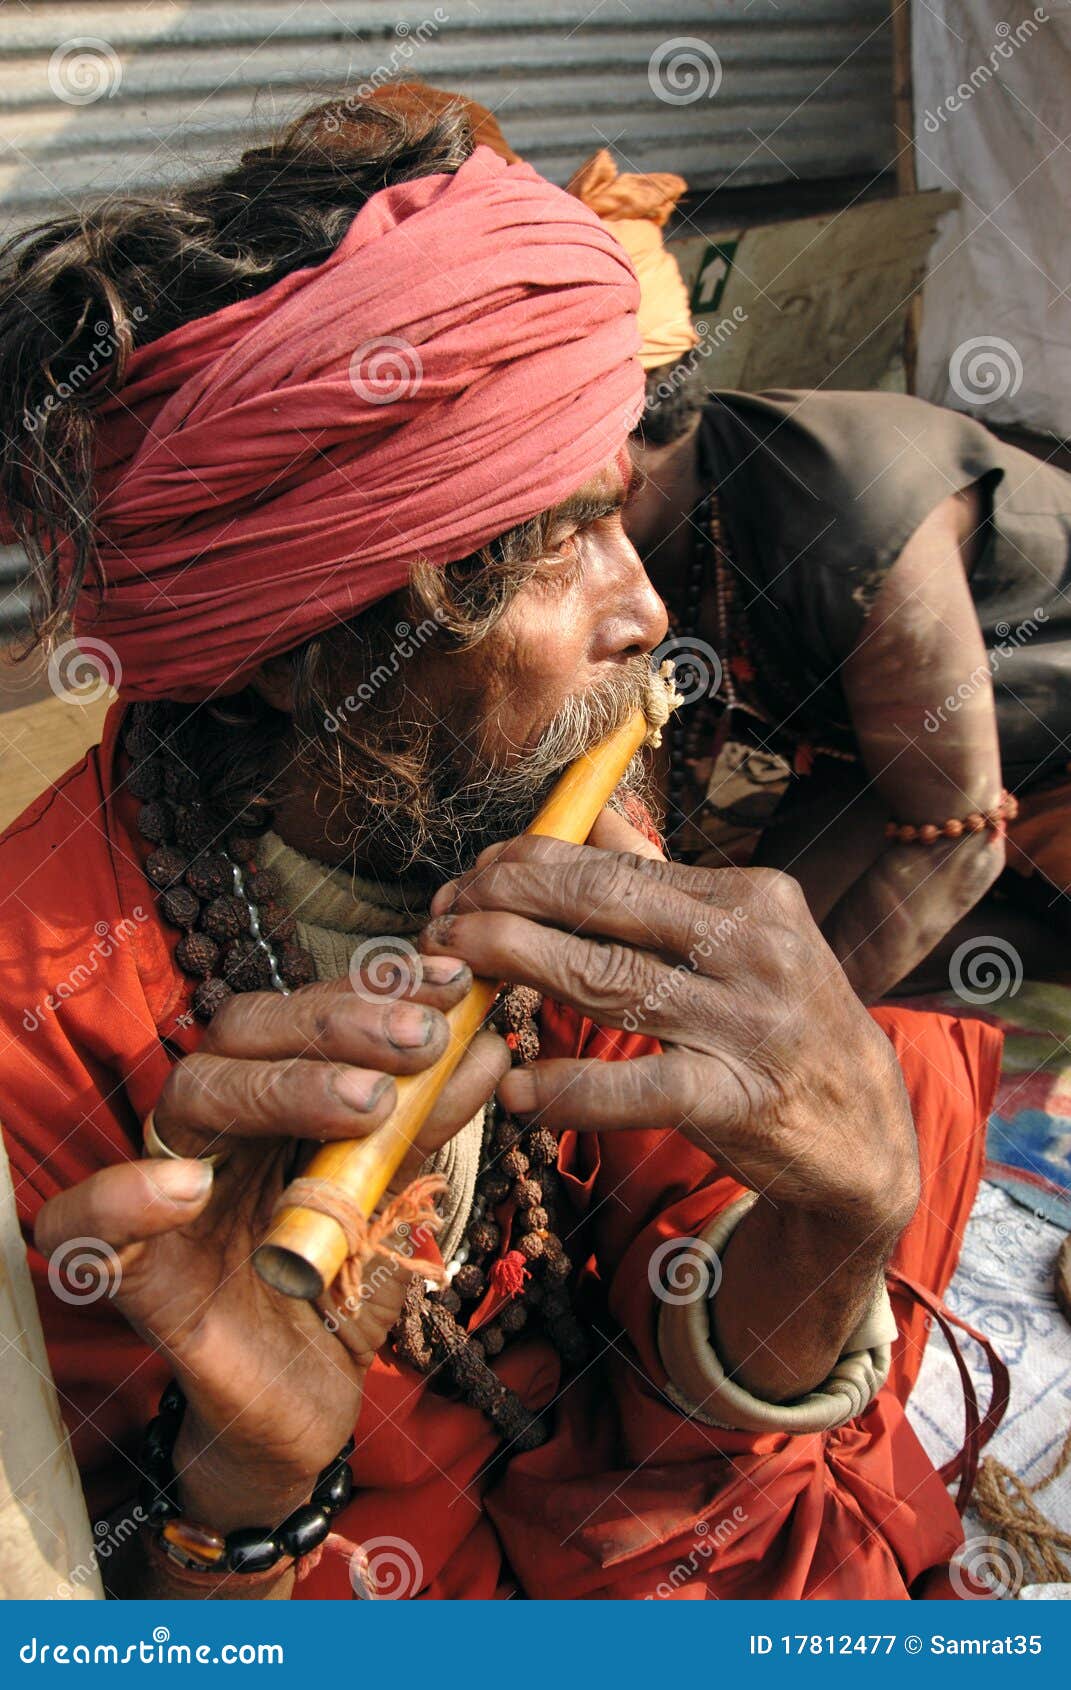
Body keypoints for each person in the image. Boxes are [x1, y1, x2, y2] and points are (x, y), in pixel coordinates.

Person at [0, 92, 1001, 1601]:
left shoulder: (538, 804)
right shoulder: (38, 1021)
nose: (645, 612)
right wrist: (252, 1478)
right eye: (548, 546)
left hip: (618, 1524)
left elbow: (693, 1319)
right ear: (294, 650)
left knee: (913, 1054)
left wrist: (839, 1216)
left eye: (619, 522)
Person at [626, 348, 1071, 1003]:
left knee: (787, 985)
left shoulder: (850, 522)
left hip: (1030, 759)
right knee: (755, 945)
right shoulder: (679, 493)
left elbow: (956, 842)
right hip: (870, 757)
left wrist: (781, 1031)